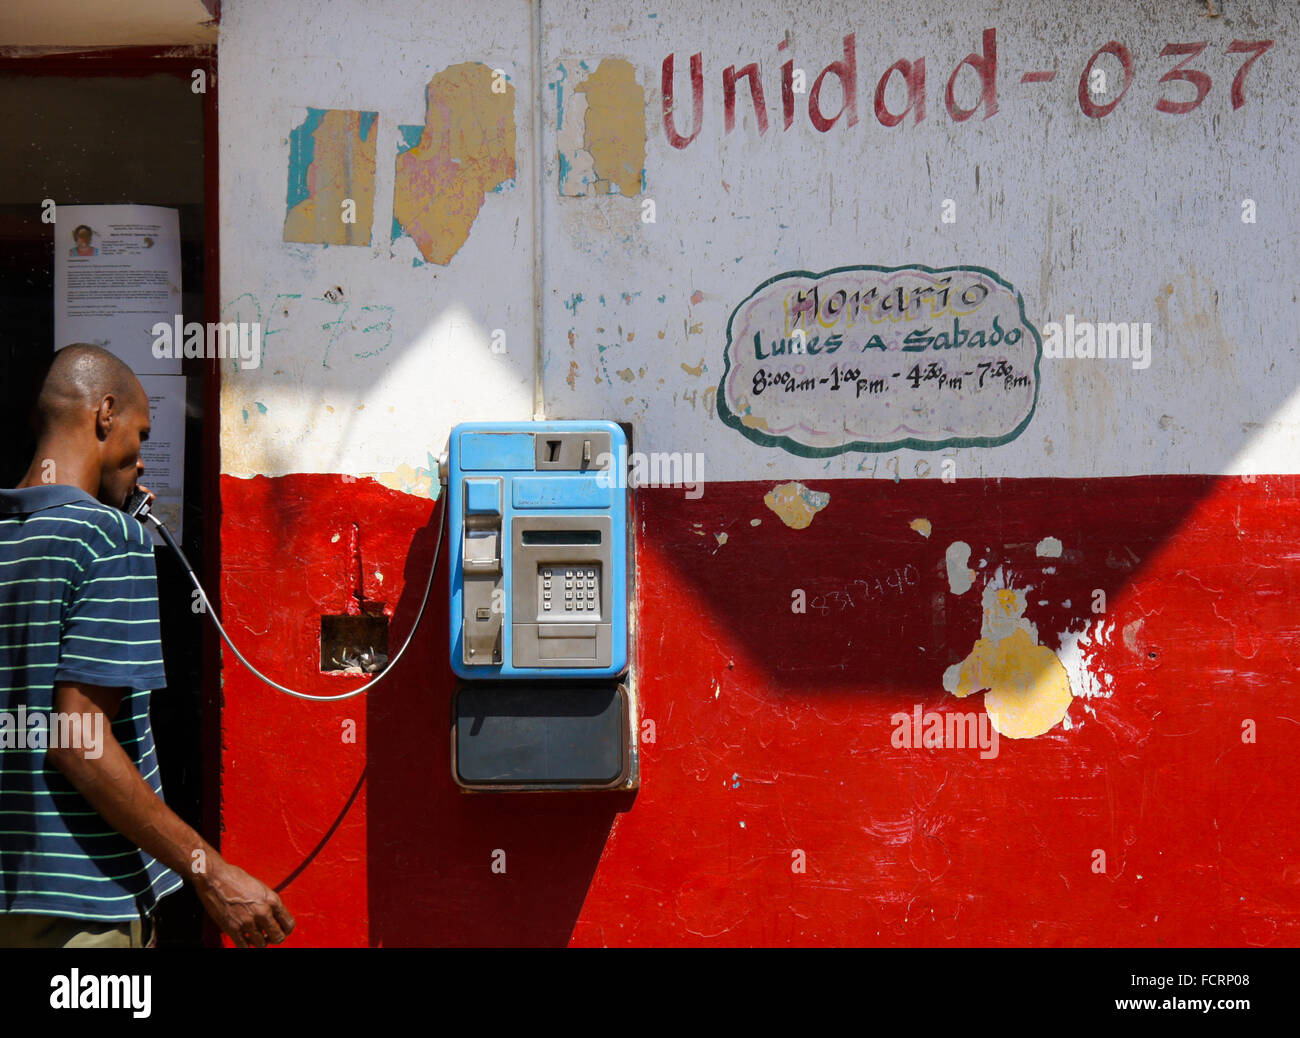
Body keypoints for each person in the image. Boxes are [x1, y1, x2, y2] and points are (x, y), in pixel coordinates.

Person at [0, 343, 292, 948]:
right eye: (141, 434)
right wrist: (209, 871)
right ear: (105, 414)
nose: (142, 463)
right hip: (81, 908)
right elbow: (78, 740)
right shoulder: (110, 538)